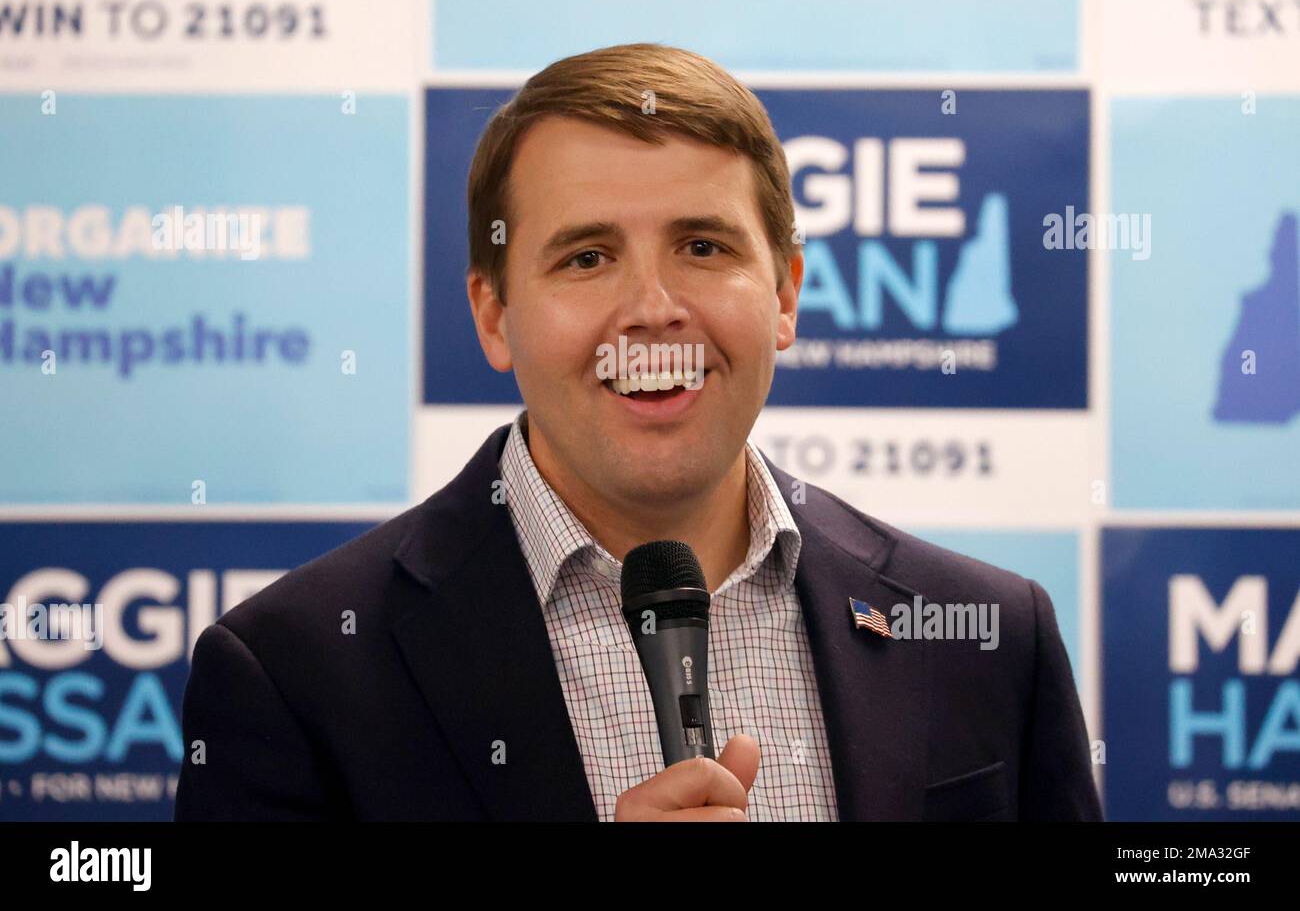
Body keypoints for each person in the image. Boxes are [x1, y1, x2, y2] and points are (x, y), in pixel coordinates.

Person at [174, 42, 1103, 822]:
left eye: (703, 247)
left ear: (784, 294)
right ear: (494, 316)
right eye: (587, 257)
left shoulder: (988, 637)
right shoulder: (295, 674)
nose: (653, 310)